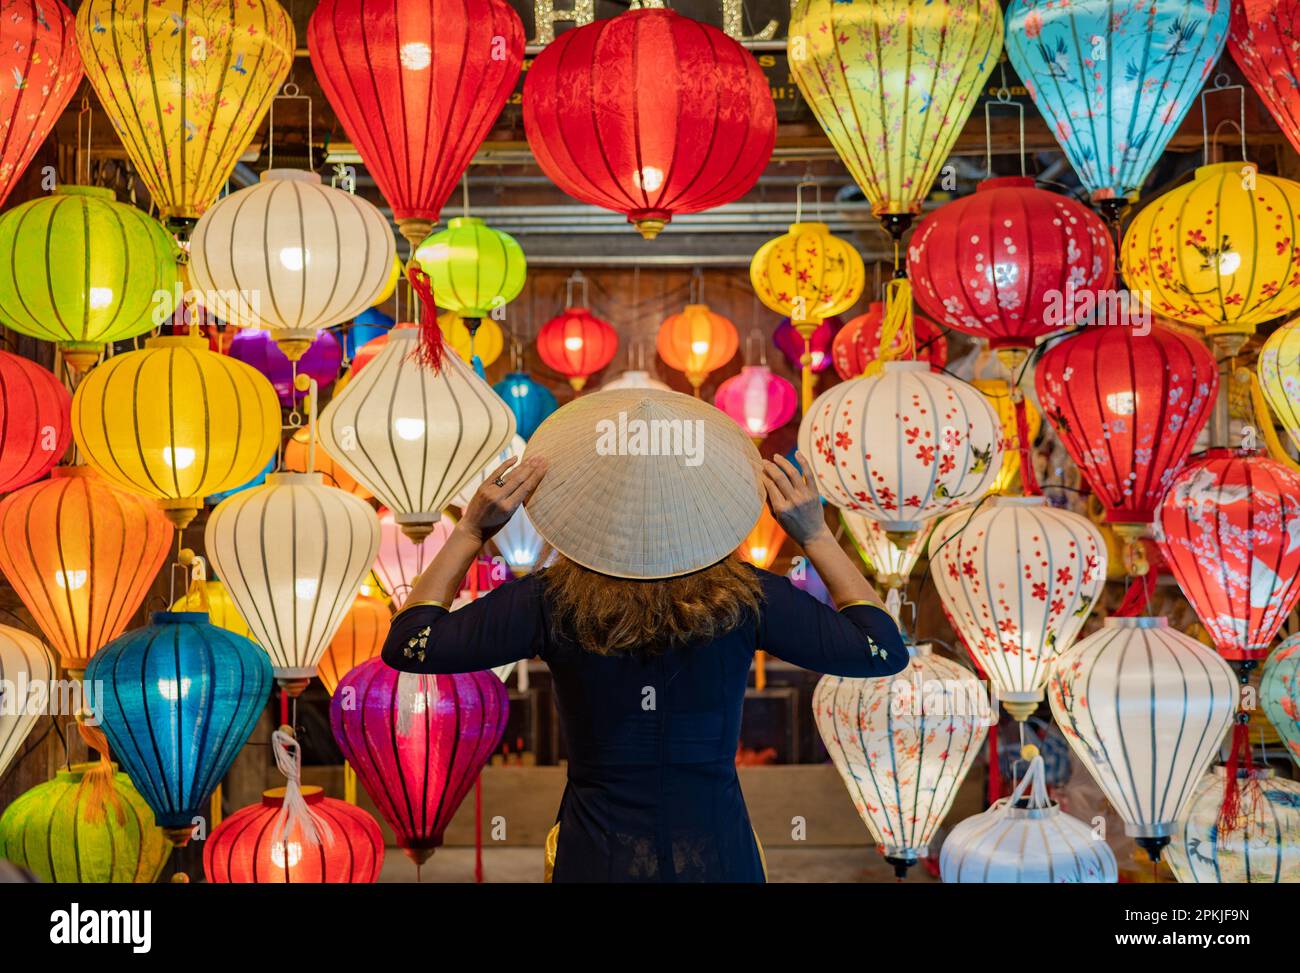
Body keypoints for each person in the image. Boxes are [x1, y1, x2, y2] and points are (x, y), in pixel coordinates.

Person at [381, 389, 905, 883]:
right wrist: (814, 534)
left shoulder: (548, 600)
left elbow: (411, 643)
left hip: (596, 856)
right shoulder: (747, 597)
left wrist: (472, 532)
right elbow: (880, 650)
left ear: (589, 503)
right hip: (717, 853)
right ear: (705, 503)